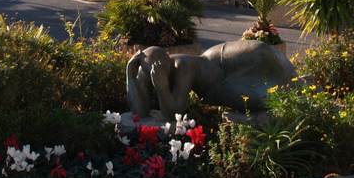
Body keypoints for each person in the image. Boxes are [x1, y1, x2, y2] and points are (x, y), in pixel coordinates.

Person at [126, 40, 296, 120]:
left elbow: (175, 113)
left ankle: (296, 84)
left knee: (270, 86)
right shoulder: (148, 68)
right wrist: (130, 75)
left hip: (225, 66)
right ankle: (295, 84)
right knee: (271, 92)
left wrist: (161, 88)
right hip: (220, 80)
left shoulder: (182, 66)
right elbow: (139, 113)